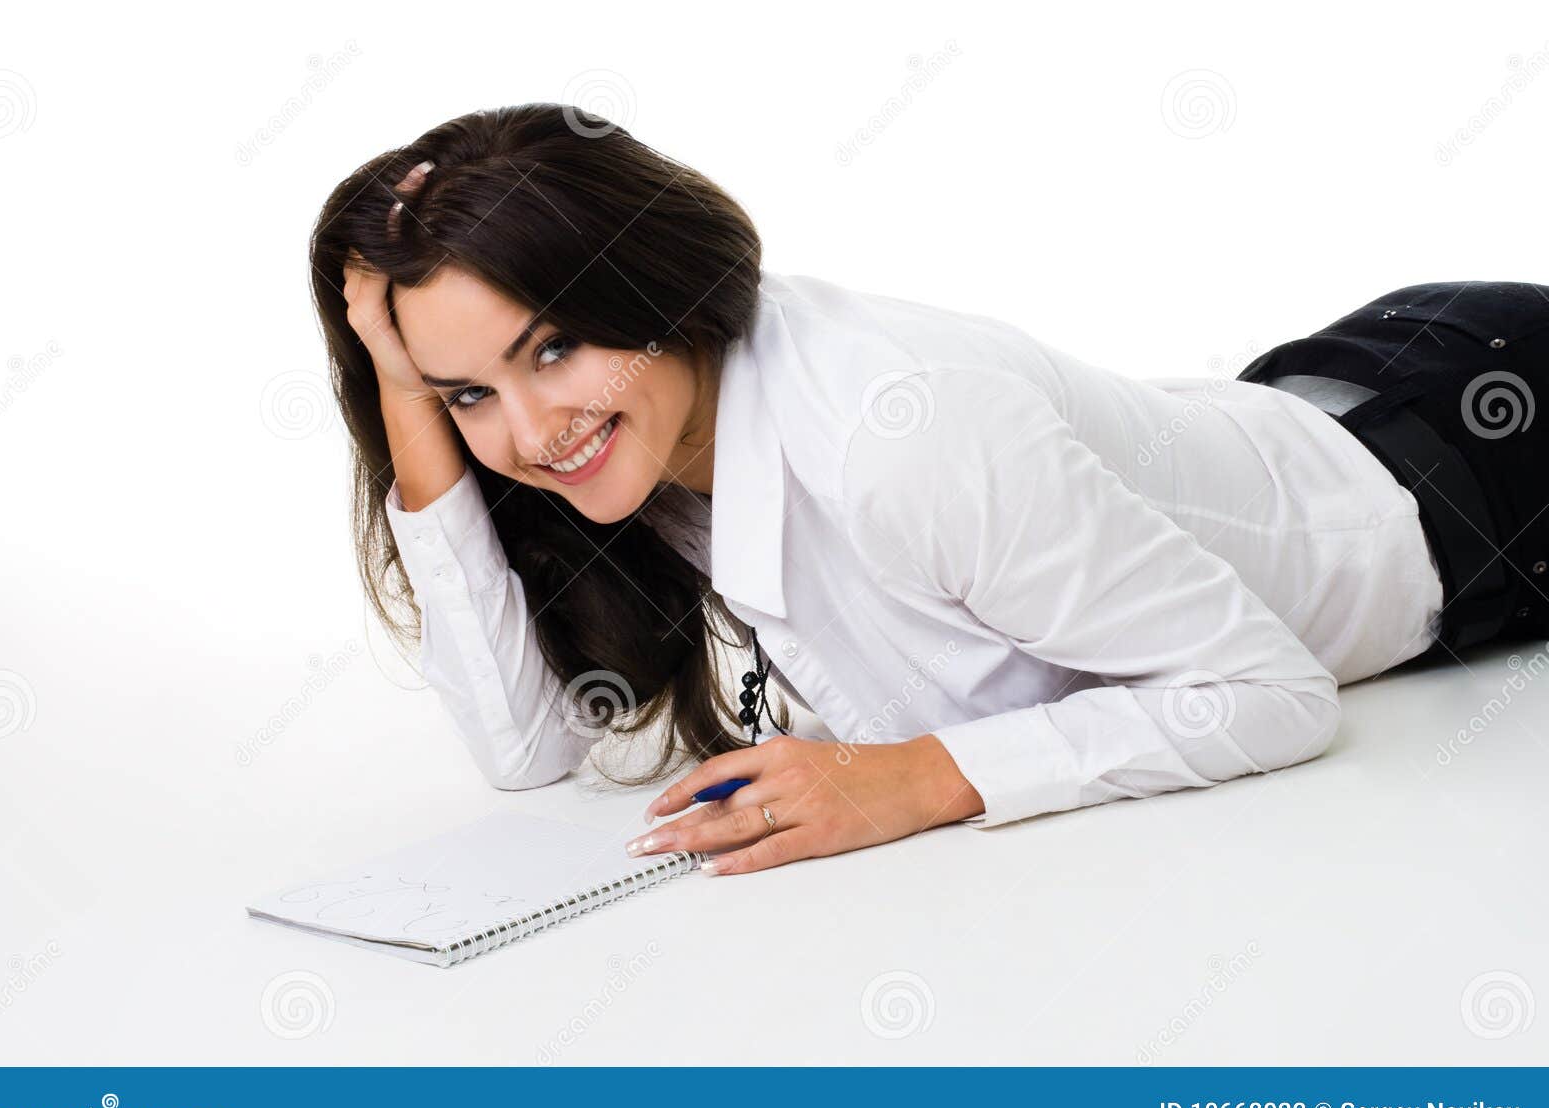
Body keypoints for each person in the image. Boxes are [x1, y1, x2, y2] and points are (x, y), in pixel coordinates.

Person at [308, 103, 1548, 876]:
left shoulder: (896, 436)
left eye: (554, 347)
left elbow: (1270, 693)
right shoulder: (642, 454)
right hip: (1311, 400)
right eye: (469, 393)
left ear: (656, 293)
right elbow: (528, 752)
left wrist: (910, 776)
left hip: (1478, 470)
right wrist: (405, 391)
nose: (530, 431)